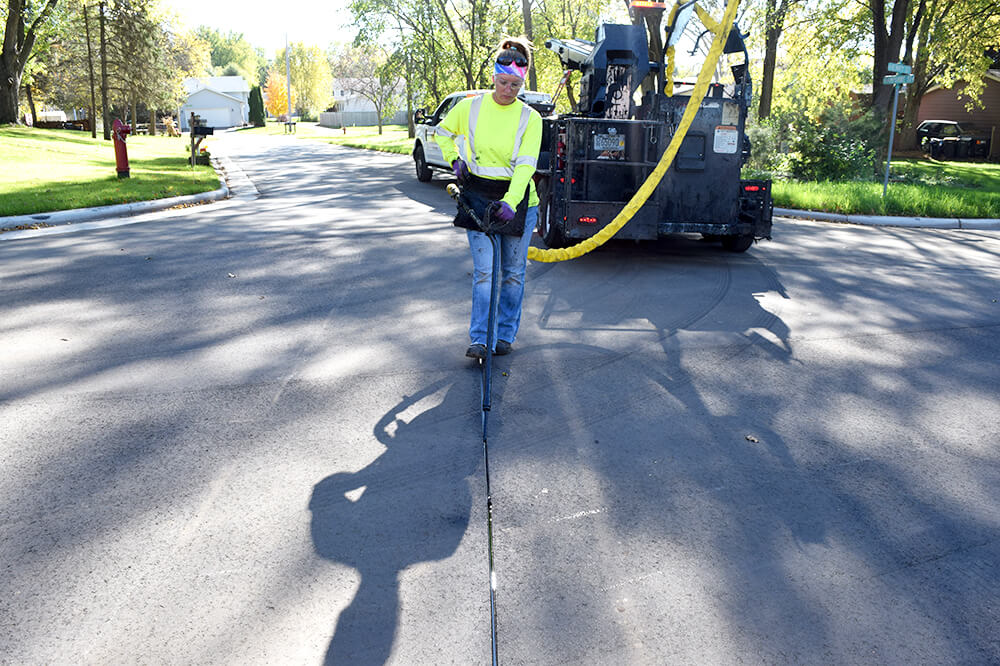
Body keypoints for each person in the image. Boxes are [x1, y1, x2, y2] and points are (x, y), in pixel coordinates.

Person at [435, 36, 543, 360]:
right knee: (484, 272)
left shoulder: (530, 119)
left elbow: (525, 166)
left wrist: (510, 202)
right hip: (478, 195)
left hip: (519, 201)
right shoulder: (471, 107)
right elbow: (442, 132)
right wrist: (454, 158)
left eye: (515, 85)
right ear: (494, 77)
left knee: (512, 273)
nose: (508, 90)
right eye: (503, 82)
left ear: (522, 82)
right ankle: (480, 339)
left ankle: (505, 334)